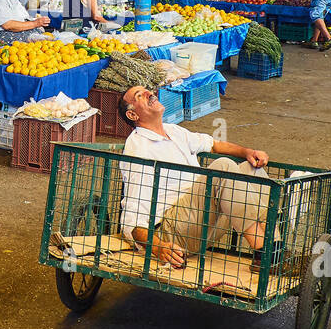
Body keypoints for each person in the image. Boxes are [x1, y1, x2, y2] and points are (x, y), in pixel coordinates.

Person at [116, 84, 272, 269]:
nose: (150, 94)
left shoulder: (173, 131)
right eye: (140, 95)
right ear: (133, 115)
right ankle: (264, 252)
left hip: (202, 221)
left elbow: (213, 145)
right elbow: (131, 218)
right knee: (223, 167)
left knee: (251, 169)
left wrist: (248, 151)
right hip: (174, 233)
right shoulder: (139, 149)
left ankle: (275, 248)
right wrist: (157, 246)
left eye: (147, 90)